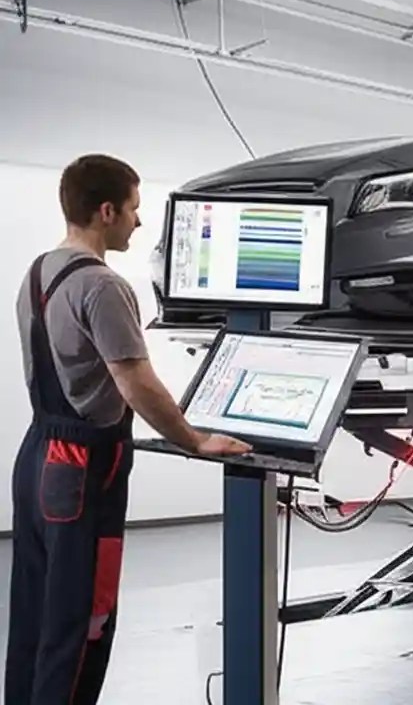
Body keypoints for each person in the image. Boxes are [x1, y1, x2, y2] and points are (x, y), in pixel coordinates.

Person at [5, 154, 251, 705]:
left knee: (35, 616)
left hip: (38, 458)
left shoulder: (37, 271)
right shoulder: (103, 286)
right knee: (82, 622)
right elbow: (135, 381)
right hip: (81, 470)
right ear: (107, 211)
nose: (139, 222)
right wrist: (194, 439)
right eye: (135, 209)